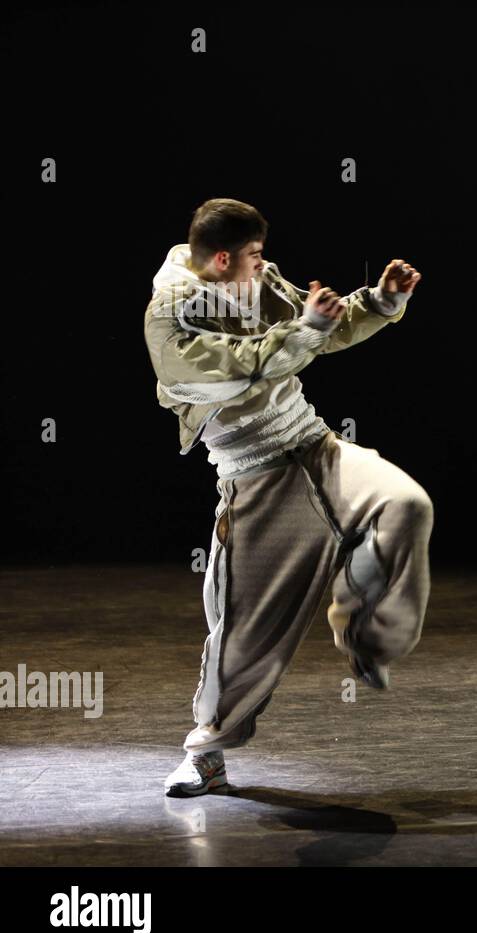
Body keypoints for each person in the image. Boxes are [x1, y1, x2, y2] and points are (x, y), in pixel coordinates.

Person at [144, 198, 433, 797]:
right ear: (222, 259)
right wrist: (305, 330)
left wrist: (379, 300)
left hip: (314, 445)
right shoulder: (170, 316)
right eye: (253, 255)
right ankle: (207, 755)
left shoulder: (257, 281)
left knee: (406, 505)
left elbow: (317, 329)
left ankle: (363, 632)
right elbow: (238, 367)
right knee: (245, 637)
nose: (263, 264)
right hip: (255, 477)